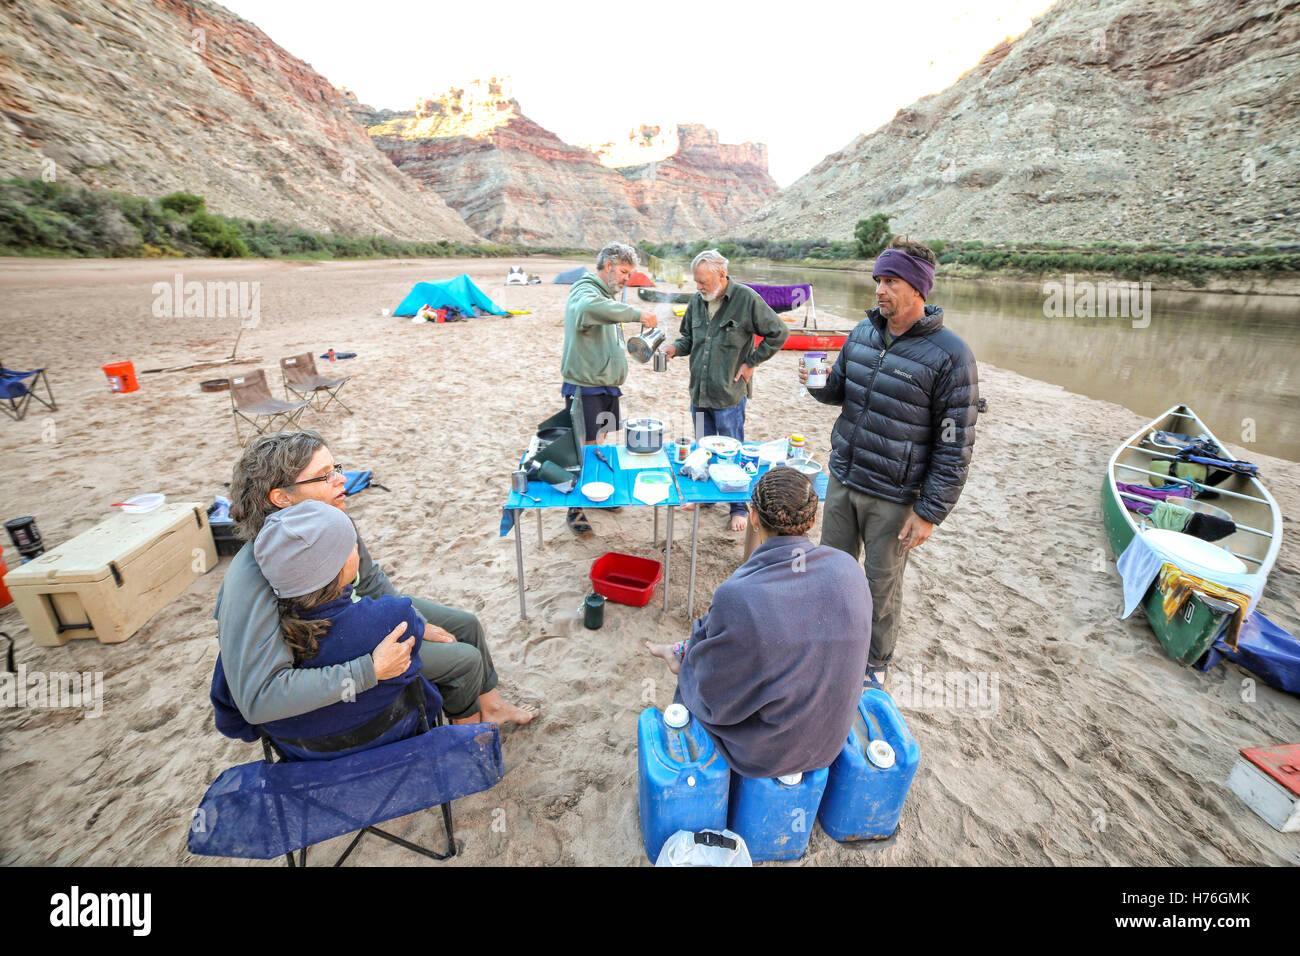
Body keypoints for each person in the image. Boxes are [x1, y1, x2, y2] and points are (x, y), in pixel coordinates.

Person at [215, 429, 538, 729]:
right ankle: (463, 733)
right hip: (331, 651)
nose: (342, 480)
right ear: (281, 498)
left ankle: (492, 706)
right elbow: (258, 700)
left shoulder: (331, 518)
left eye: (336, 468)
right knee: (460, 660)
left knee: (465, 624)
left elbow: (369, 579)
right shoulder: (251, 575)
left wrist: (418, 621)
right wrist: (367, 670)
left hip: (355, 614)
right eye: (325, 476)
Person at [801, 237, 978, 688]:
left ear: (919, 288)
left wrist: (930, 513)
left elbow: (955, 445)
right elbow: (838, 390)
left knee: (881, 584)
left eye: (891, 280)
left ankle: (874, 662)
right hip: (844, 477)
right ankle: (830, 643)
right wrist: (815, 384)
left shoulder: (951, 356)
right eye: (878, 279)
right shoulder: (862, 332)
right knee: (833, 571)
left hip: (895, 495)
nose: (880, 289)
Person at [644, 468, 872, 779]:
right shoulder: (849, 568)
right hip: (829, 742)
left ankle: (681, 654)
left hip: (771, 754)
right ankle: (684, 650)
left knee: (696, 672)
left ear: (753, 517)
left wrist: (695, 656)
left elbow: (716, 694)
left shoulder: (738, 595)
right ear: (813, 520)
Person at [211, 500, 442, 760]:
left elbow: (232, 723)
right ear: (338, 567)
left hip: (305, 765)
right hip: (397, 746)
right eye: (350, 546)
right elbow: (426, 701)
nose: (357, 548)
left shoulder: (248, 656)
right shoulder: (395, 618)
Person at [660, 249, 788, 532]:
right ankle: (705, 497)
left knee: (733, 451)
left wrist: (752, 362)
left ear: (721, 274)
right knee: (702, 448)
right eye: (696, 281)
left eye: (703, 281)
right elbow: (688, 339)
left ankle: (738, 507)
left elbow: (778, 332)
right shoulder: (696, 301)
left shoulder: (746, 299)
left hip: (729, 394)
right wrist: (673, 349)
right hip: (700, 392)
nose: (698, 287)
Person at [560, 242, 659, 535]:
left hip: (605, 386)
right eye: (624, 272)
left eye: (630, 273)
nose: (627, 279)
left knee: (599, 443)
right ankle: (574, 510)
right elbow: (587, 308)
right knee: (583, 447)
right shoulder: (585, 290)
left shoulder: (605, 295)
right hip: (586, 385)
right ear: (608, 266)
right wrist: (635, 314)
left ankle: (595, 494)